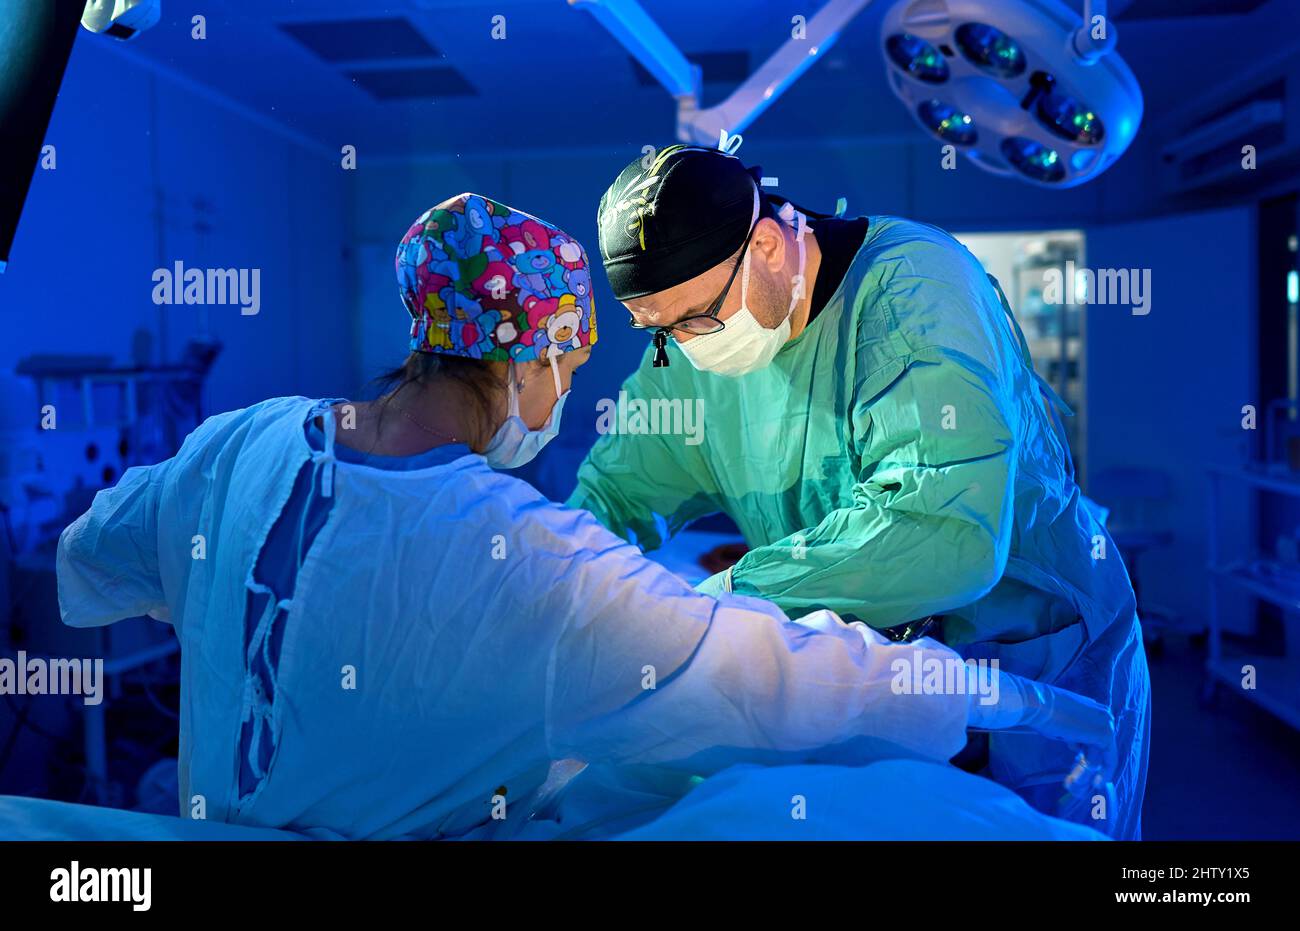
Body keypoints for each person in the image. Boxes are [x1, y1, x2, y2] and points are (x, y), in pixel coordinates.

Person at [56, 193, 1112, 841]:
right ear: (529, 354)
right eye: (567, 365)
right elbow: (782, 676)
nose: (564, 398)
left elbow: (92, 557)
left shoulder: (240, 441)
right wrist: (1003, 699)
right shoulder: (523, 561)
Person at [569, 144, 1151, 839]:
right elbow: (615, 498)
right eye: (657, 329)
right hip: (878, 682)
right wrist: (564, 608)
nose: (685, 347)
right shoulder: (687, 344)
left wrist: (721, 605)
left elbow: (946, 536)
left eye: (695, 318)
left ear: (768, 246)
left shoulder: (915, 288)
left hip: (1029, 653)